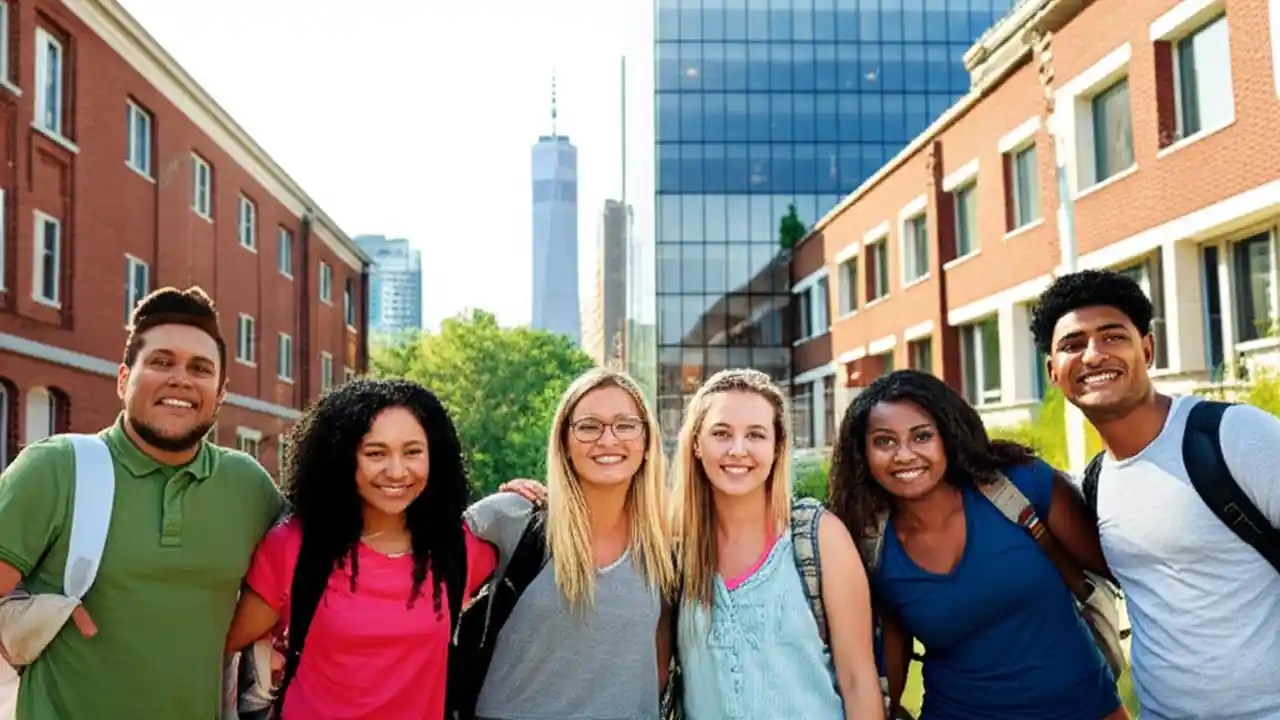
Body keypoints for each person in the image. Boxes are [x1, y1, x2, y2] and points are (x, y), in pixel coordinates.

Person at [0, 286, 285, 719]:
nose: (181, 379)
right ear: (122, 379)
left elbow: (308, 572)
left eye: (200, 368)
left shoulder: (247, 486)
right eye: (161, 362)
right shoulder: (56, 470)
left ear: (221, 393)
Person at [1031, 268, 1280, 720]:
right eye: (1072, 345)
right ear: (1053, 371)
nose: (1093, 355)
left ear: (1146, 348)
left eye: (1112, 337)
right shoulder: (1097, 483)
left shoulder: (1230, 435)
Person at [827, 369, 1124, 720]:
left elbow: (1126, 570)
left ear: (948, 436)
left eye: (922, 436)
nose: (904, 455)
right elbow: (887, 673)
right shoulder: (870, 546)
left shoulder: (1020, 486)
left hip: (1085, 709)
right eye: (884, 441)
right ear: (863, 453)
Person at [224, 378, 498, 719]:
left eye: (413, 452)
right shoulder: (294, 546)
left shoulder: (461, 548)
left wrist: (524, 497)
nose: (397, 471)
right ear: (341, 458)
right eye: (375, 453)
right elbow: (221, 644)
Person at [462, 368, 677, 720]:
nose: (608, 440)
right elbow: (415, 606)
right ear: (563, 440)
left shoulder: (664, 541)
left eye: (625, 425)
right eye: (589, 426)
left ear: (647, 441)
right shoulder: (511, 519)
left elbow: (660, 666)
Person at [669, 368, 883, 719]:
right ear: (696, 443)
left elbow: (859, 681)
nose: (738, 450)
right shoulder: (677, 549)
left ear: (777, 446)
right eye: (721, 433)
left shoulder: (818, 537)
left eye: (756, 434)